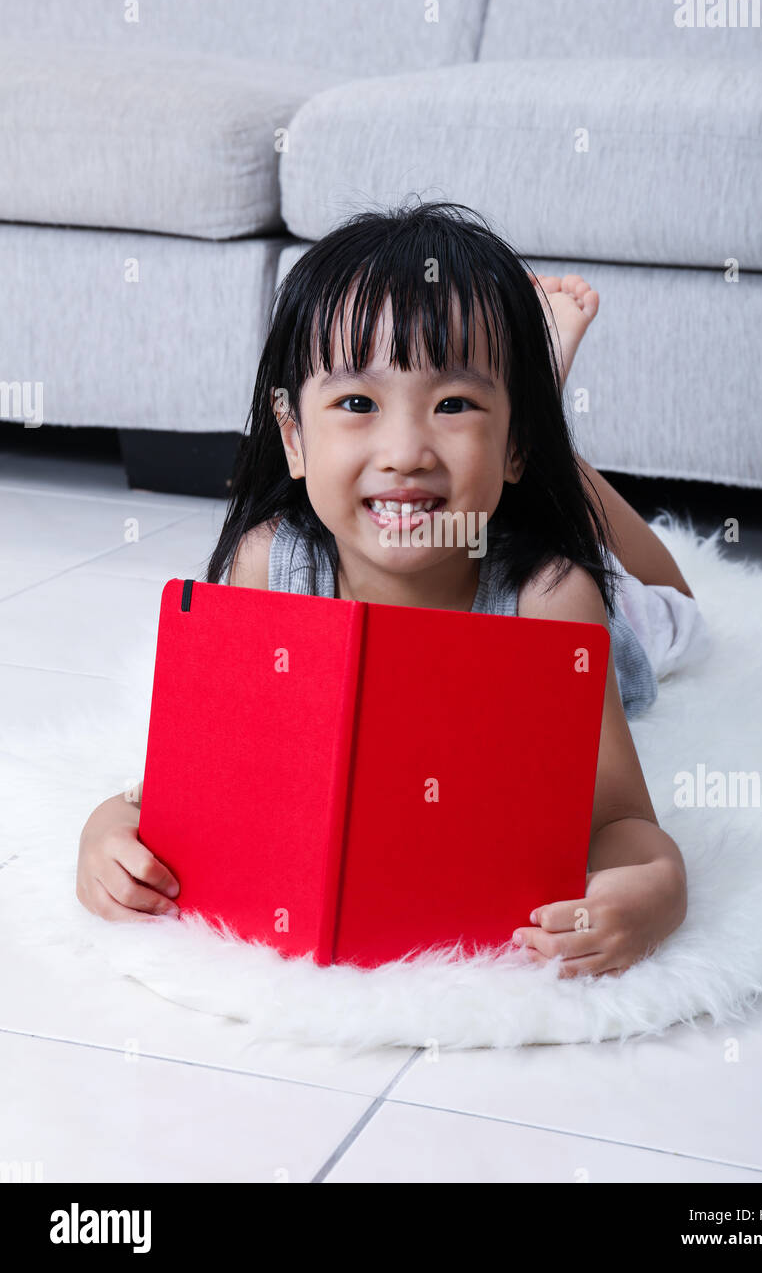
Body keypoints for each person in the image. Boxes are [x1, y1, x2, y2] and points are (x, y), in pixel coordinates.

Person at [77, 201, 711, 978]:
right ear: (292, 438)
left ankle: (555, 449)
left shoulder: (552, 600)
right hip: (489, 481)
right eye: (357, 404)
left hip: (547, 574)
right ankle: (517, 410)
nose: (404, 451)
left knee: (677, 609)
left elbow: (620, 823)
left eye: (453, 405)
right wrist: (107, 828)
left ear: (509, 451)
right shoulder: (272, 566)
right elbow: (201, 781)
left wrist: (653, 893)